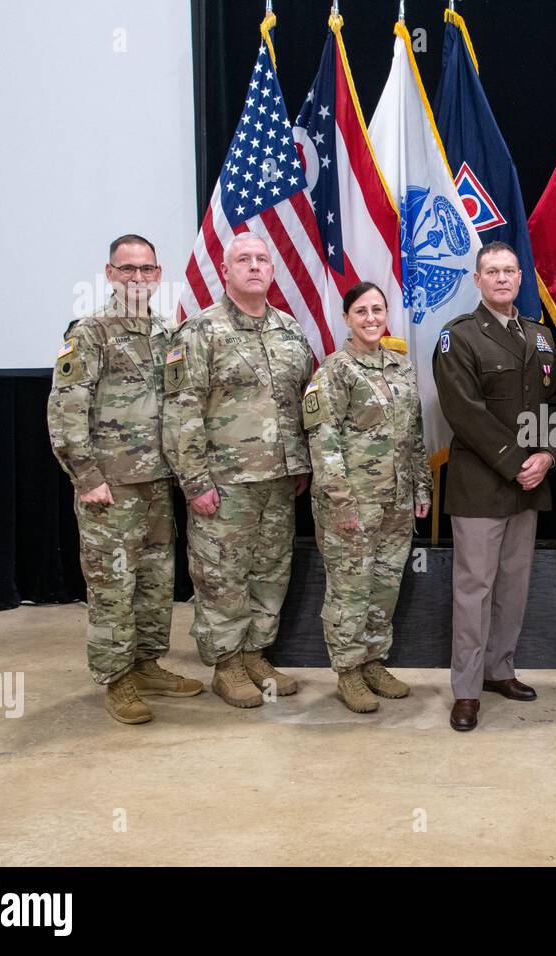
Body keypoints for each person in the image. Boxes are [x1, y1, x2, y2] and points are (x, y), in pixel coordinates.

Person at [48, 234, 202, 724]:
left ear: (158, 275)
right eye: (127, 269)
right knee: (113, 586)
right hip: (110, 487)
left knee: (156, 583)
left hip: (157, 483)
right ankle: (116, 680)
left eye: (146, 269)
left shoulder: (166, 332)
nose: (137, 278)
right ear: (110, 273)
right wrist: (87, 476)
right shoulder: (90, 332)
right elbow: (66, 409)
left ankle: (147, 664)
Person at [162, 234, 312, 709]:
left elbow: (303, 403)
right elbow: (181, 410)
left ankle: (254, 654)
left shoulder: (290, 331)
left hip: (279, 477)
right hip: (224, 482)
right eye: (242, 259)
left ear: (272, 270)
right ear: (225, 271)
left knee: (270, 571)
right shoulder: (199, 332)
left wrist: (301, 463)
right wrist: (194, 480)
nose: (253, 266)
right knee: (220, 574)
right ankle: (226, 665)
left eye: (261, 259)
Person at [432, 242, 556, 732]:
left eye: (509, 270)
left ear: (520, 278)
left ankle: (498, 669)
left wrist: (548, 454)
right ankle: (466, 690)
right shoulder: (458, 337)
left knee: (513, 586)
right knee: (474, 590)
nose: (502, 278)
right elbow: (464, 411)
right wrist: (516, 461)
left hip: (530, 482)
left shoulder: (541, 336)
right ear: (477, 280)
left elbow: (555, 405)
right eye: (492, 271)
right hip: (482, 482)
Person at [304, 282, 431, 714]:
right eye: (362, 311)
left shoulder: (401, 367)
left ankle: (373, 660)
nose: (372, 318)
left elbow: (413, 435)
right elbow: (323, 441)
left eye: (378, 309)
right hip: (353, 502)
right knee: (349, 589)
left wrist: (421, 486)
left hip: (396, 500)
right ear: (346, 318)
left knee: (385, 585)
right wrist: (341, 500)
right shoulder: (332, 371)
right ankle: (347, 671)